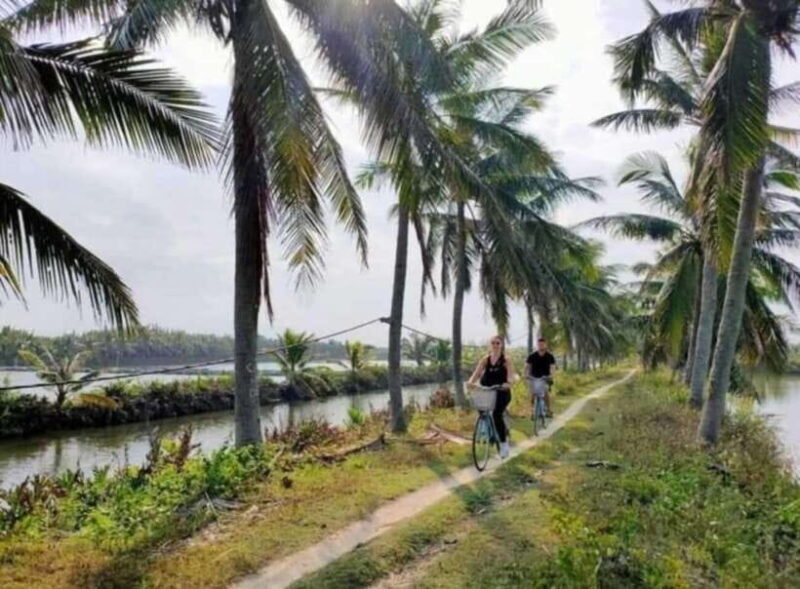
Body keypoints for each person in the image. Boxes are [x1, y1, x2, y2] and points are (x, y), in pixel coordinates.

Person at [467, 335, 518, 458]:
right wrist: (470, 382)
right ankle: (487, 431)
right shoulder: (485, 359)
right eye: (493, 343)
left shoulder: (506, 360)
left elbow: (511, 374)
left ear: (501, 345)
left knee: (496, 414)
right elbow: (476, 373)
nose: (495, 345)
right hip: (487, 391)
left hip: (501, 392)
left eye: (498, 343)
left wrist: (508, 383)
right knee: (481, 408)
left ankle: (504, 445)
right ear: (490, 345)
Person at [526, 338, 556, 418]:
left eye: (542, 344)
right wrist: (527, 375)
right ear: (537, 345)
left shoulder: (550, 356)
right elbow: (528, 367)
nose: (541, 346)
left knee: (545, 392)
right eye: (539, 344)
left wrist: (551, 375)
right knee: (532, 393)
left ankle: (548, 410)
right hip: (534, 378)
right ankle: (532, 411)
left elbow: (552, 368)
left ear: (545, 345)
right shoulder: (532, 356)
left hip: (545, 378)